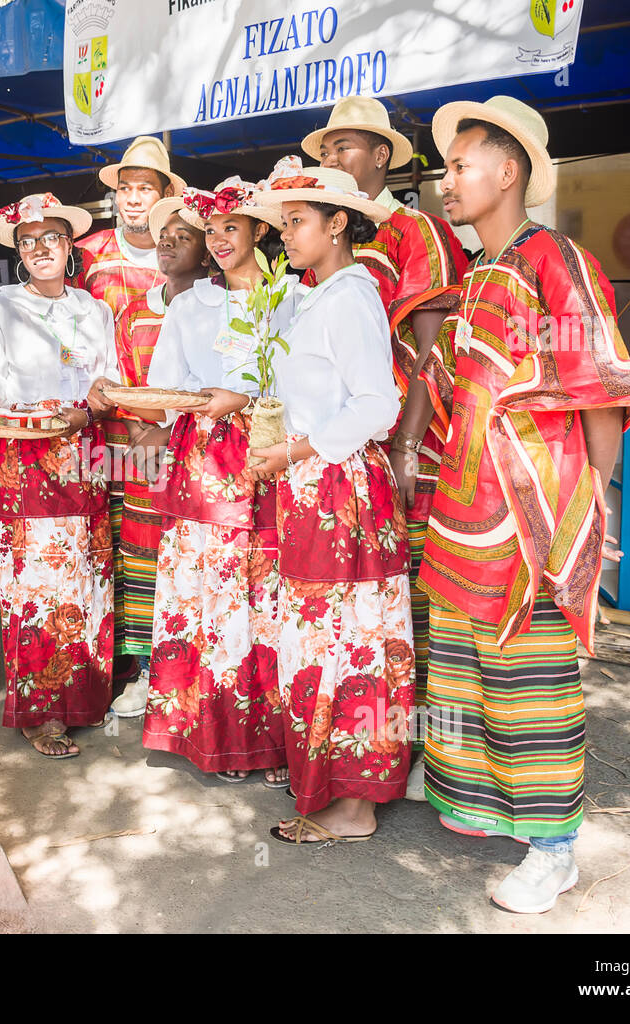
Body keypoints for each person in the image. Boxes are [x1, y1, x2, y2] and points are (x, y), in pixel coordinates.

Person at [419, 96, 630, 912]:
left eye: (460, 165)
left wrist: (595, 503)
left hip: (533, 511)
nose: (446, 181)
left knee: (534, 678)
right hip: (466, 506)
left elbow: (603, 393)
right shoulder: (480, 271)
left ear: (507, 172)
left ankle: (555, 849)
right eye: (446, 169)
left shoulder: (558, 262)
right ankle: (480, 805)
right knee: (467, 670)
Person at [305, 96, 470, 799]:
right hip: (346, 454)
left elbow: (435, 348)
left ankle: (425, 753)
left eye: (348, 147)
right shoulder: (325, 250)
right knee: (375, 601)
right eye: (327, 149)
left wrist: (406, 444)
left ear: (381, 157)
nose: (334, 158)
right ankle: (364, 747)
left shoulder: (417, 231)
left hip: (413, 442)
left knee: (418, 597)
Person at [249, 164, 413, 844]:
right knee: (325, 641)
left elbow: (380, 404)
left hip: (339, 488)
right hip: (313, 483)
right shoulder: (311, 296)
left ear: (337, 223)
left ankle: (355, 805)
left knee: (354, 643)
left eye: (296, 221)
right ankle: (334, 787)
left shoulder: (350, 295)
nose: (284, 233)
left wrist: (294, 452)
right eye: (283, 222)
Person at [135, 177, 290, 785]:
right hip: (205, 460)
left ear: (260, 230)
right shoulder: (188, 305)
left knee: (272, 595)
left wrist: (249, 397)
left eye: (233, 227)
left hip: (277, 455)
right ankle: (219, 737)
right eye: (213, 230)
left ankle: (273, 738)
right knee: (213, 597)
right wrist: (191, 404)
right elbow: (167, 389)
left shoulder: (293, 298)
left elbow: (307, 383)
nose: (221, 240)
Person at [0, 191, 116, 759]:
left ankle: (85, 698)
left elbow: (107, 379)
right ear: (19, 253)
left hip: (85, 450)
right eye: (28, 242)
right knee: (33, 586)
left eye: (51, 238)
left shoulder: (94, 308)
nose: (40, 249)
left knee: (87, 578)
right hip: (26, 457)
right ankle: (42, 712)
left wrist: (87, 410)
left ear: (69, 244)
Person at [91, 196, 212, 718]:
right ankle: (144, 673)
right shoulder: (134, 313)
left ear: (209, 251)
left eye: (182, 236)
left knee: (199, 563)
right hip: (141, 458)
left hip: (205, 460)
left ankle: (197, 672)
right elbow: (124, 380)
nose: (166, 243)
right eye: (163, 235)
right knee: (142, 562)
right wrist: (143, 436)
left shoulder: (220, 304)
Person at [74, 135, 187, 691]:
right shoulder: (88, 252)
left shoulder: (187, 253)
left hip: (170, 432)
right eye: (126, 188)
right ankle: (120, 661)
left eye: (146, 188)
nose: (134, 198)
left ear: (165, 194)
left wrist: (156, 426)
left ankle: (162, 664)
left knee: (162, 538)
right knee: (114, 543)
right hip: (106, 432)